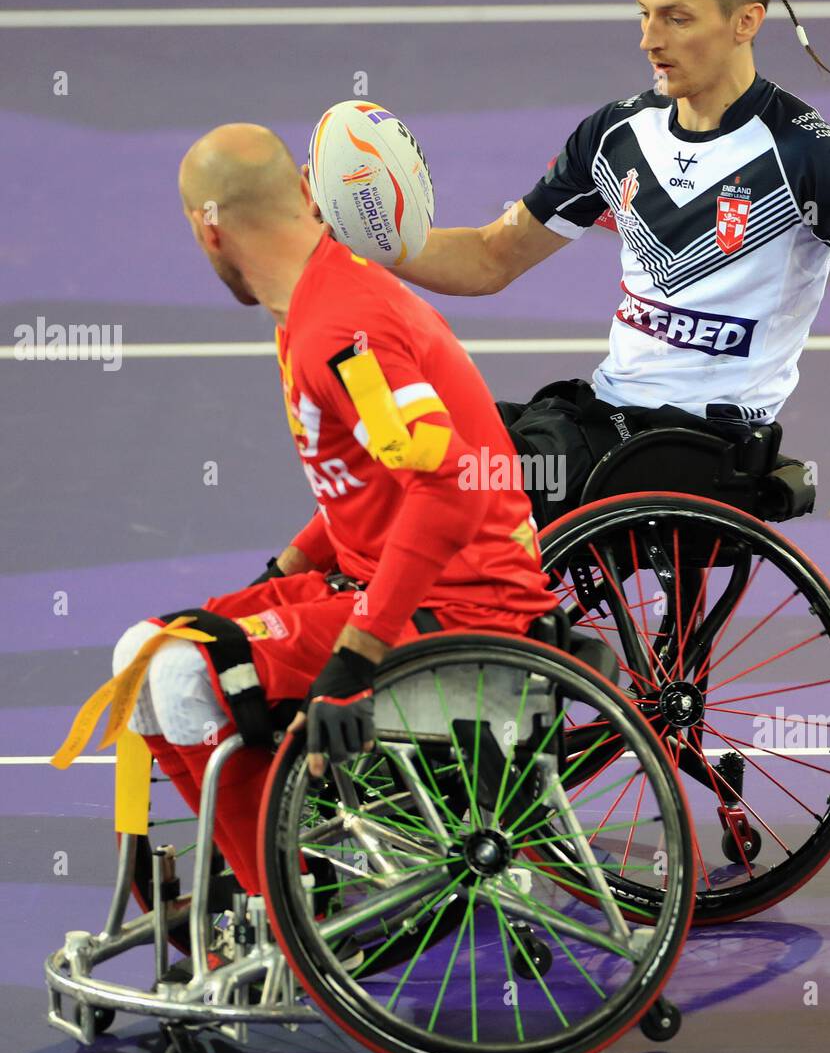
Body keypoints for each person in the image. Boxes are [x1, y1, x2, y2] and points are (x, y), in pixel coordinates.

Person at [394, 0, 830, 572]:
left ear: (746, 22)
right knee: (420, 446)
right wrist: (373, 242)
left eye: (677, 18)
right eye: (644, 13)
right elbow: (491, 257)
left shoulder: (806, 156)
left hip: (700, 445)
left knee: (464, 488)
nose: (649, 39)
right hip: (605, 423)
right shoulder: (617, 133)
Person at [82, 123, 556, 898]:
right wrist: (292, 567)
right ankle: (268, 874)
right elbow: (370, 482)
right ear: (305, 190)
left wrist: (357, 656)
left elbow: (449, 486)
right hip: (403, 583)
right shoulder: (317, 298)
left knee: (178, 676)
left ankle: (283, 907)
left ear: (209, 229)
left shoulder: (339, 328)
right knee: (148, 654)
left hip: (460, 611)